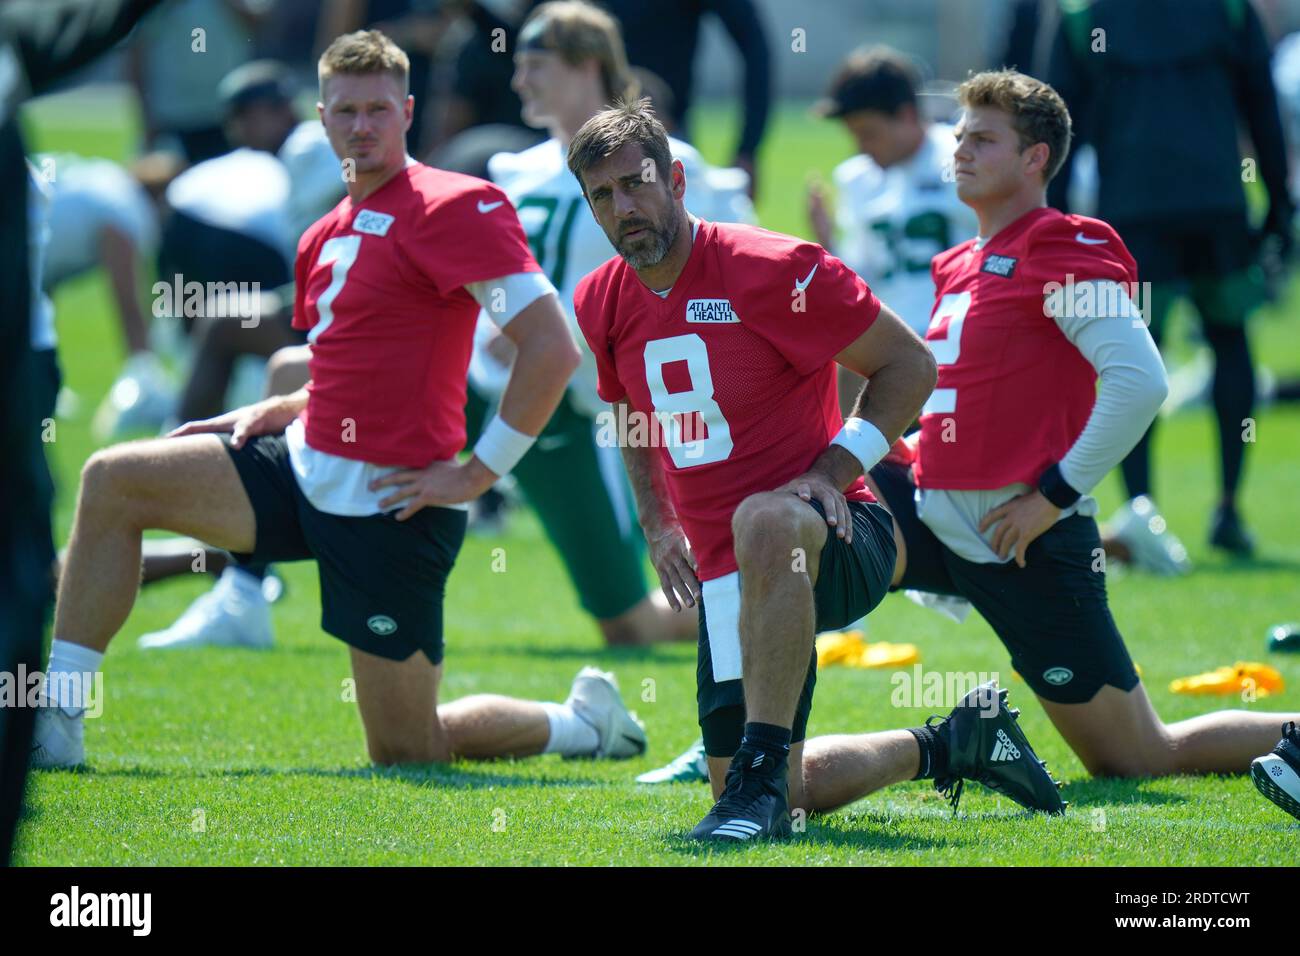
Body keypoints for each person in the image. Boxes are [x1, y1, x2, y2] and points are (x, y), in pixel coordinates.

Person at [31, 29, 646, 772]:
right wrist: (284, 406)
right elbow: (350, 358)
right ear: (320, 118)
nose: (362, 126)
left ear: (408, 112)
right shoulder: (324, 230)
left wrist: (477, 473)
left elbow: (553, 346)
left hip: (393, 502)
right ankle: (56, 721)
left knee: (408, 750)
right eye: (346, 110)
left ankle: (579, 722)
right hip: (301, 466)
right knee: (113, 479)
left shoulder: (457, 205)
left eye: (378, 109)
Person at [570, 99, 1064, 841]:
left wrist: (834, 471)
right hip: (727, 575)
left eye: (636, 183)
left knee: (763, 517)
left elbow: (910, 364)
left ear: (675, 178)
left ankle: (755, 790)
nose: (624, 206)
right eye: (602, 196)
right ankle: (953, 741)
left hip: (832, 533)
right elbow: (630, 414)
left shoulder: (773, 267)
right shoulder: (601, 299)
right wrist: (656, 518)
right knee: (779, 790)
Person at [858, 69, 1298, 784]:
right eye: (961, 136)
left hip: (1021, 532)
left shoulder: (1063, 245)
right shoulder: (957, 263)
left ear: (1036, 158)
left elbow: (1141, 379)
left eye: (986, 140)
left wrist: (1054, 497)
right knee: (800, 531)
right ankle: (751, 742)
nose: (962, 151)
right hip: (933, 513)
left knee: (1138, 757)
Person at [0, 0, 166, 866]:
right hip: (29, 354)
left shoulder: (56, 179)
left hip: (24, 357)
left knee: (24, 566)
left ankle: (41, 716)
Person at [1048, 0, 1294, 561]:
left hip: (1132, 218)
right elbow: (1261, 106)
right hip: (1218, 211)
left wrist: (1054, 223)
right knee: (1230, 343)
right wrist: (1278, 203)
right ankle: (1229, 507)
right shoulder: (1228, 10)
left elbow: (1057, 123)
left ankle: (1142, 511)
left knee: (1133, 359)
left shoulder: (1084, 16)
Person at [808, 45, 978, 412]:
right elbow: (862, 279)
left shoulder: (960, 158)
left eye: (869, 132)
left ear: (906, 115)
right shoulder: (857, 179)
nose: (862, 147)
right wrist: (827, 240)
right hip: (892, 338)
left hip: (961, 334)